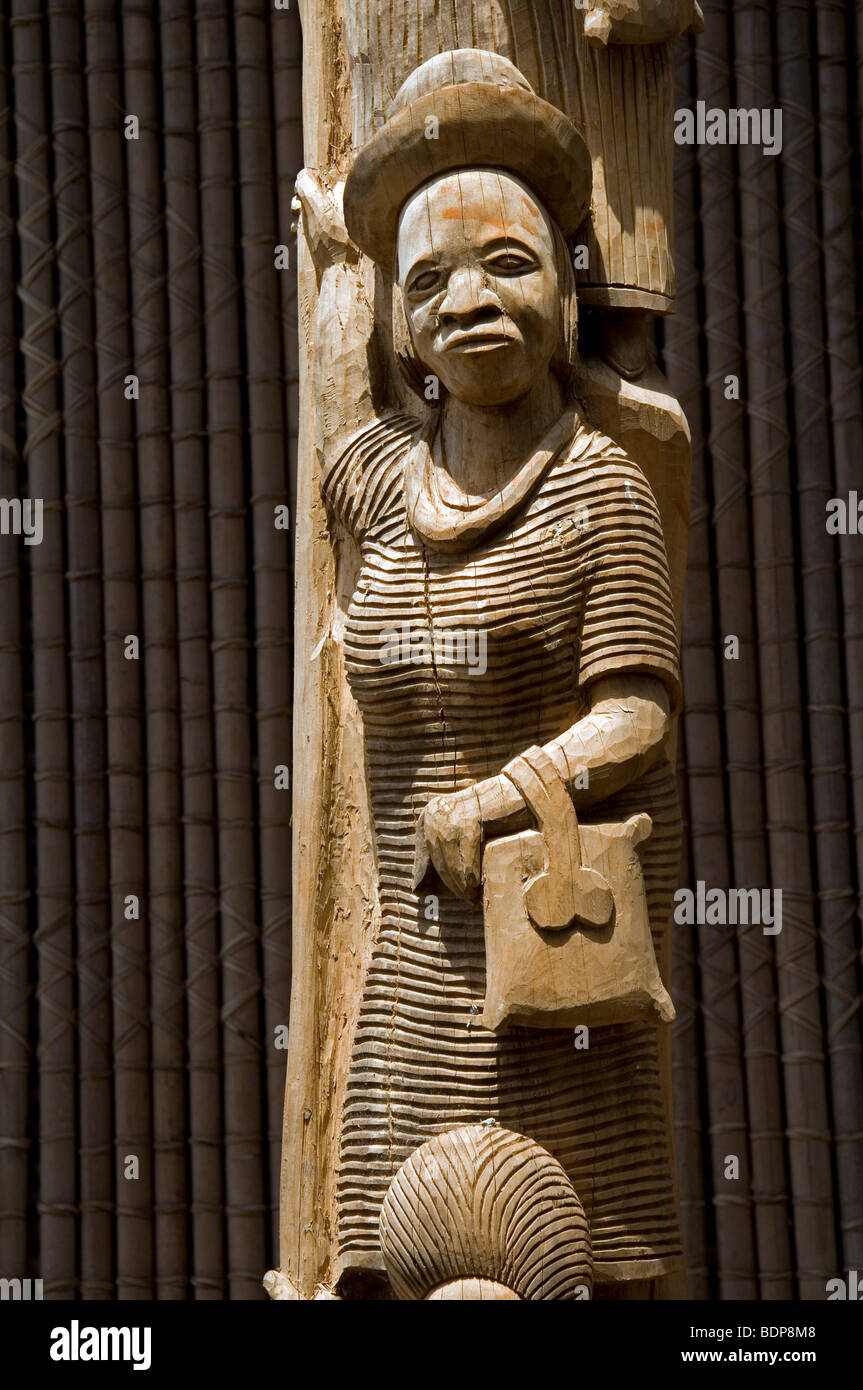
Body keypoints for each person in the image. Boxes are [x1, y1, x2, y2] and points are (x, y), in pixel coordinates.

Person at [294, 49, 684, 1293]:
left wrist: (494, 797)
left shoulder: (598, 489)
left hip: (552, 945)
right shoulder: (363, 479)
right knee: (383, 1259)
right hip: (413, 959)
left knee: (573, 1259)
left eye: (507, 264)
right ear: (403, 324)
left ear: (563, 298)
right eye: (432, 279)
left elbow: (635, 712)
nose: (469, 298)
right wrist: (330, 267)